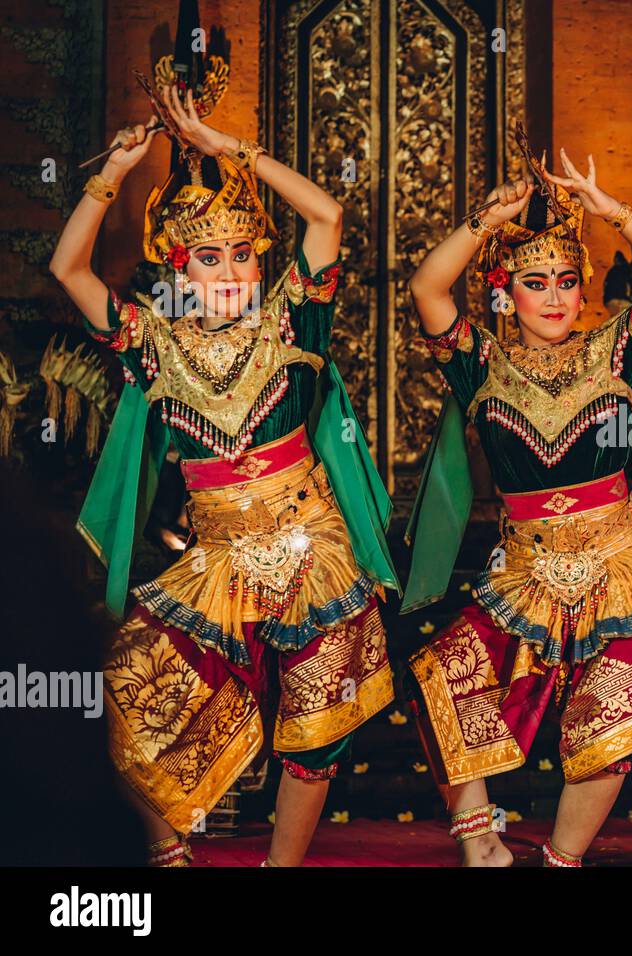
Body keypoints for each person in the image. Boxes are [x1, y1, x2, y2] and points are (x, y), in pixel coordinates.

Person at [49, 80, 398, 867]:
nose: (231, 270)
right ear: (178, 266)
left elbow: (327, 217)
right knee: (114, 697)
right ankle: (168, 853)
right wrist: (113, 177)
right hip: (214, 562)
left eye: (242, 254)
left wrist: (222, 146)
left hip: (312, 548)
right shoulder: (152, 341)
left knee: (313, 735)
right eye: (210, 258)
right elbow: (67, 267)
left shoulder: (291, 318)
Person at [402, 138, 632, 867]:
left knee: (611, 720)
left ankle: (561, 862)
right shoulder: (481, 363)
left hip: (618, 568)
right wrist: (481, 220)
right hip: (527, 571)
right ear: (508, 291)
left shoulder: (621, 349)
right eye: (537, 282)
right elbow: (427, 291)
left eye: (568, 279)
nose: (557, 295)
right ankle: (481, 846)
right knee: (447, 676)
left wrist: (610, 210)